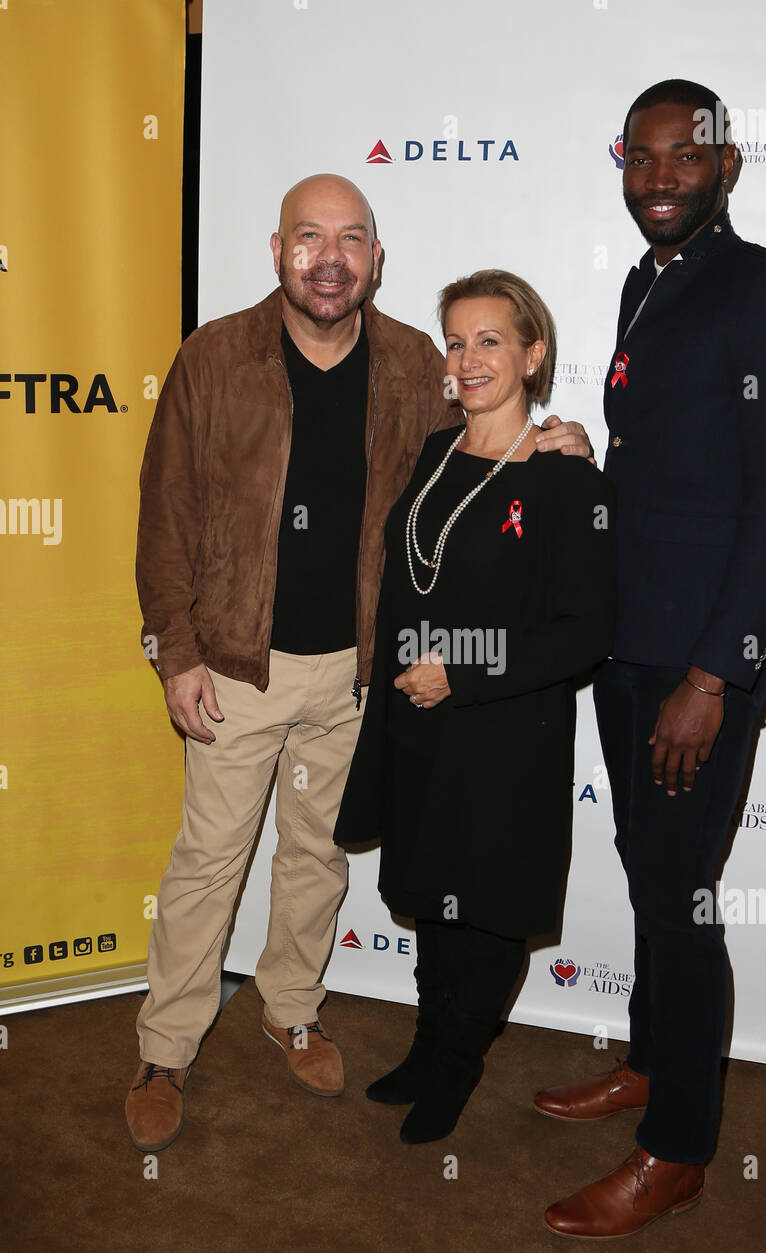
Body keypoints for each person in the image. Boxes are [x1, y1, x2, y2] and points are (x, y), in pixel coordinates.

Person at [128, 175, 593, 1152]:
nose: (329, 256)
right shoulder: (213, 359)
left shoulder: (419, 363)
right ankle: (164, 1046)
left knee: (316, 853)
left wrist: (558, 439)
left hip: (357, 671)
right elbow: (164, 518)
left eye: (350, 239)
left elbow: (480, 445)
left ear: (376, 260)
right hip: (236, 664)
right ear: (276, 250)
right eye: (309, 237)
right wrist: (176, 653)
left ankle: (289, 1005)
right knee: (209, 861)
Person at [536, 81, 766, 1238]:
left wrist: (714, 676)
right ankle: (657, 1065)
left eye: (683, 156)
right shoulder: (642, 287)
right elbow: (671, 470)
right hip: (627, 640)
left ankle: (677, 1149)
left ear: (726, 166)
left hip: (699, 663)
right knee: (651, 874)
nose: (659, 176)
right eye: (641, 157)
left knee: (681, 893)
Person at [334, 270, 616, 1145]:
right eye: (456, 341)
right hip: (420, 725)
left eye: (490, 340)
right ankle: (427, 1045)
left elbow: (586, 631)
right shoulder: (433, 452)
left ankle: (457, 1065)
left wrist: (463, 668)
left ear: (534, 354)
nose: (468, 359)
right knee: (431, 896)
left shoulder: (567, 479)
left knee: (485, 906)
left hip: (504, 734)